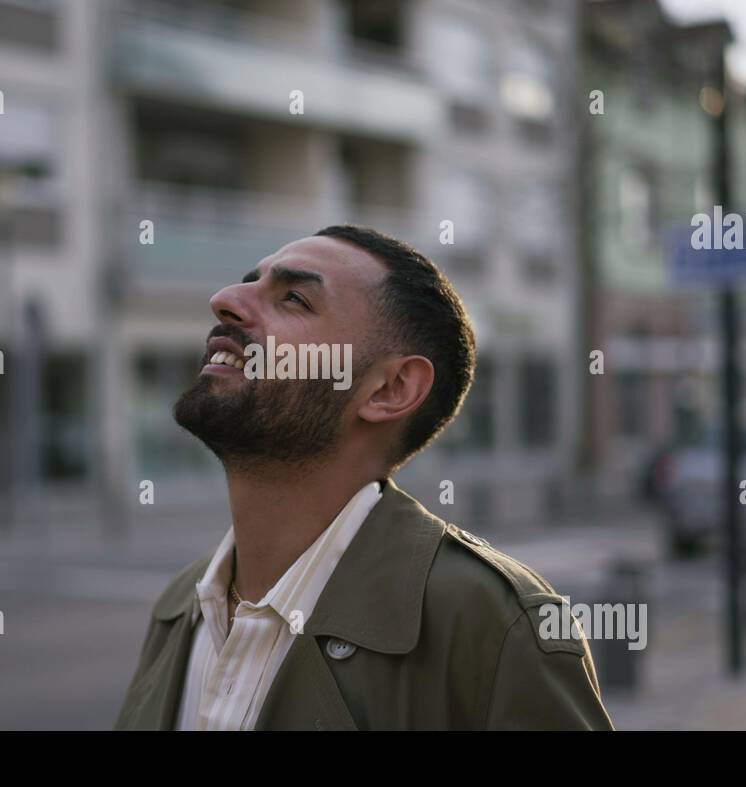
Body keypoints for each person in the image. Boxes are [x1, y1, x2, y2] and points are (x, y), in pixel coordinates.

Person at [115, 225, 614, 730]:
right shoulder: (180, 606)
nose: (224, 300)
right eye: (249, 281)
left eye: (294, 298)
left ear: (390, 389)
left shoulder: (497, 628)